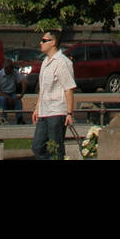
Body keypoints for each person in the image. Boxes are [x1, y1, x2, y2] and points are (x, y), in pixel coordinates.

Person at [31, 32, 75, 161]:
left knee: (55, 149)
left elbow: (69, 88)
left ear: (53, 42)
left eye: (44, 40)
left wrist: (69, 113)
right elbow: (42, 88)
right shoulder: (45, 61)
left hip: (57, 112)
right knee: (37, 147)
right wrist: (37, 108)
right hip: (44, 112)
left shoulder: (62, 62)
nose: (40, 43)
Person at [0, 60, 25, 125]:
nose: (11, 71)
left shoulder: (15, 72)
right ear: (6, 68)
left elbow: (23, 81)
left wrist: (22, 94)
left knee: (18, 100)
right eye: (10, 68)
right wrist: (8, 98)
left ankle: (19, 118)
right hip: (0, 93)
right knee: (2, 100)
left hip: (11, 93)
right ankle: (3, 118)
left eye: (12, 68)